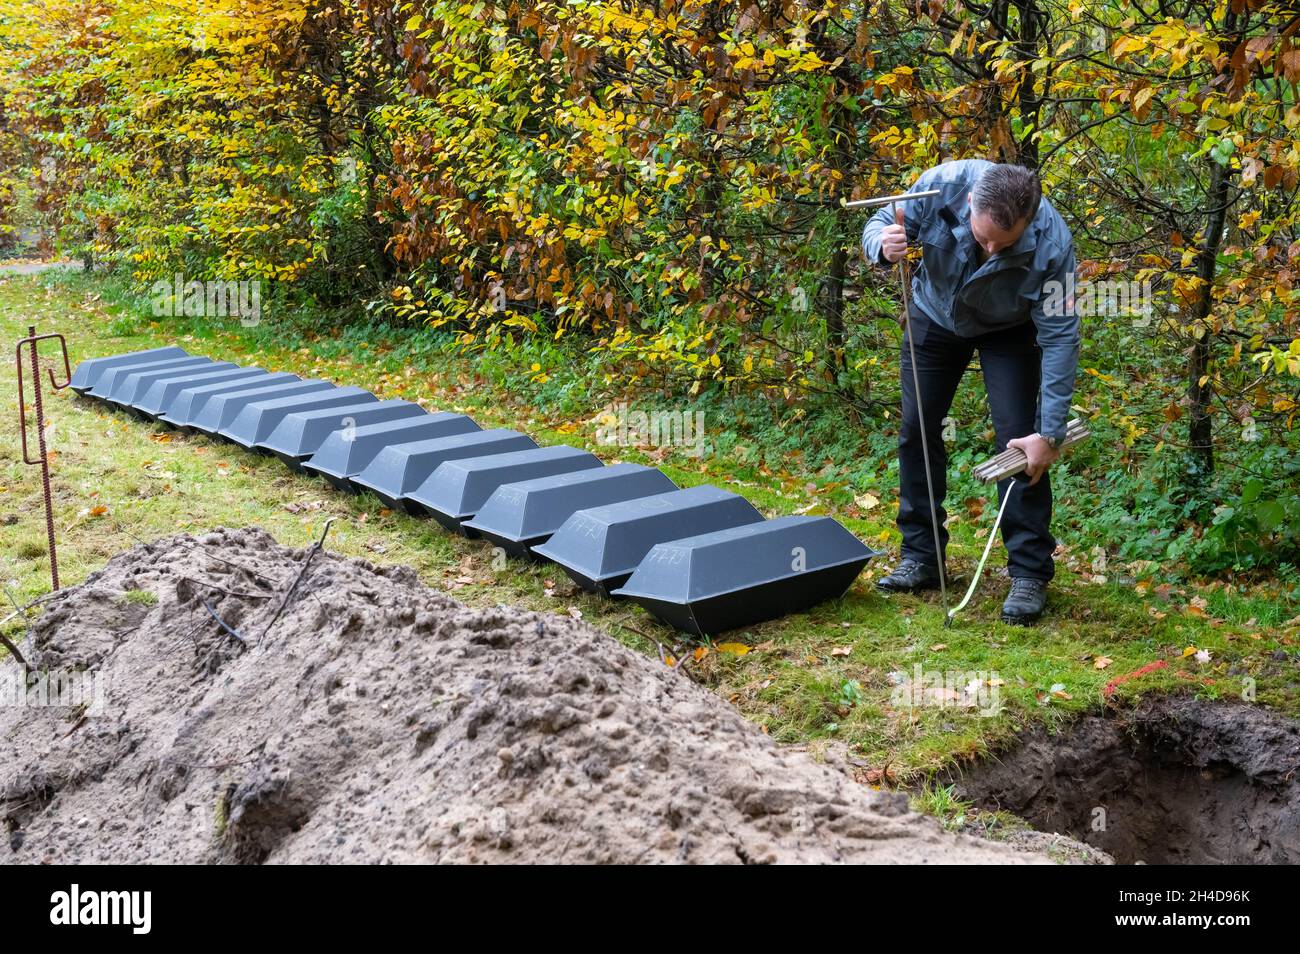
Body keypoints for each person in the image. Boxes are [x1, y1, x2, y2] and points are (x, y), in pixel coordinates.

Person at [861, 160, 1080, 624]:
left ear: (1031, 218)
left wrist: (1051, 432)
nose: (992, 249)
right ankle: (921, 556)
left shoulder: (1054, 245)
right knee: (917, 429)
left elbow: (1061, 337)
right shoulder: (939, 185)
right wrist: (882, 244)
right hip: (935, 315)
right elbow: (881, 221)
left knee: (1020, 442)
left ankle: (1028, 572)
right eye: (983, 240)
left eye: (1006, 244)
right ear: (968, 205)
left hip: (1009, 329)